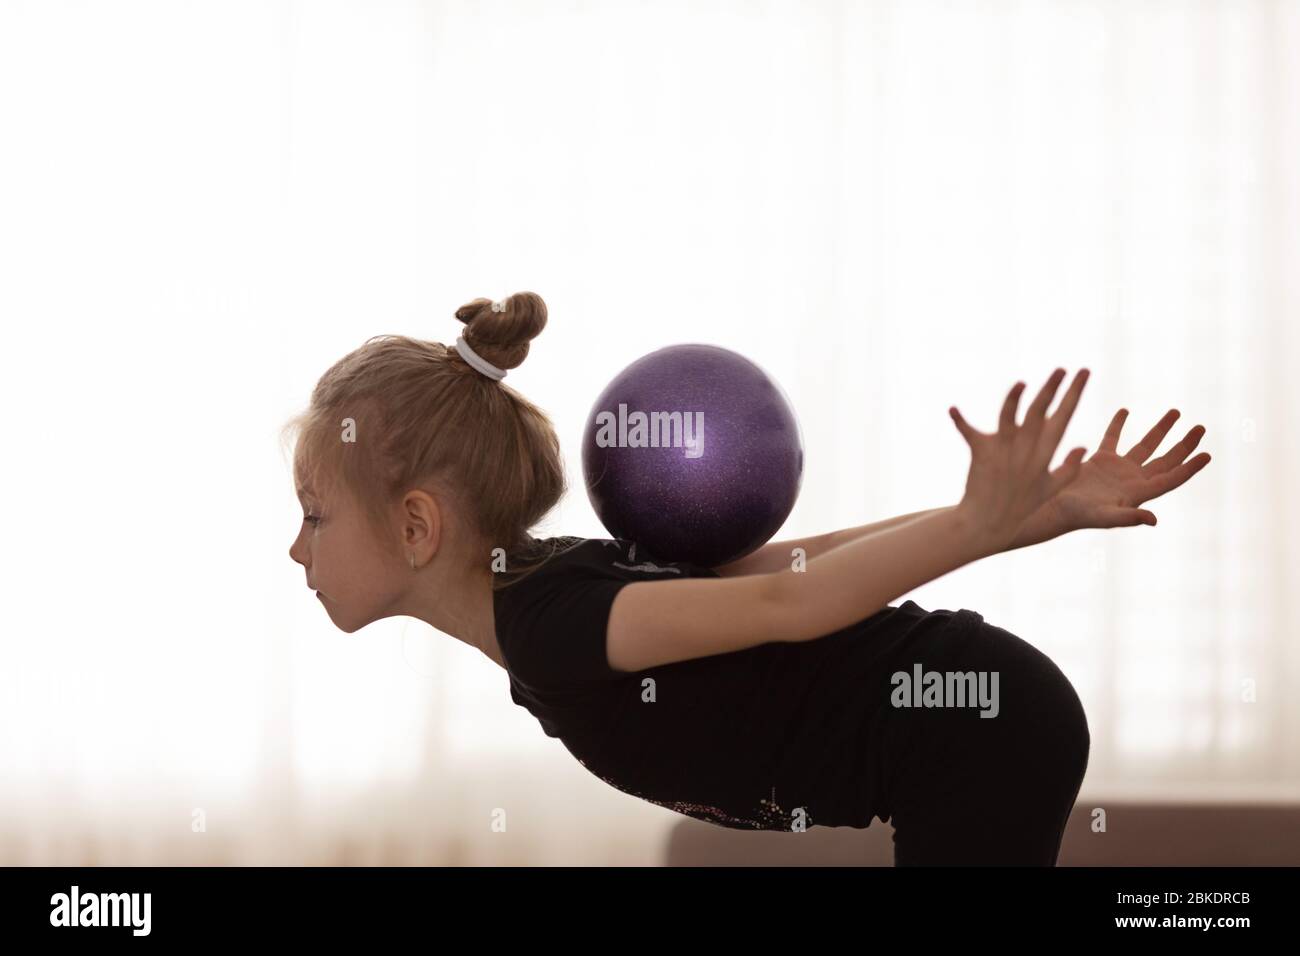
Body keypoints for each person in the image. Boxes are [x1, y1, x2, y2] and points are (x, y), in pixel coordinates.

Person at [284, 291, 1212, 865]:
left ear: (415, 525)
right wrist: (1024, 522)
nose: (298, 549)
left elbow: (789, 600)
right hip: (987, 720)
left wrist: (982, 525)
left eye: (314, 513)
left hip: (979, 726)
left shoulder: (548, 622)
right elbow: (792, 562)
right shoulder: (546, 590)